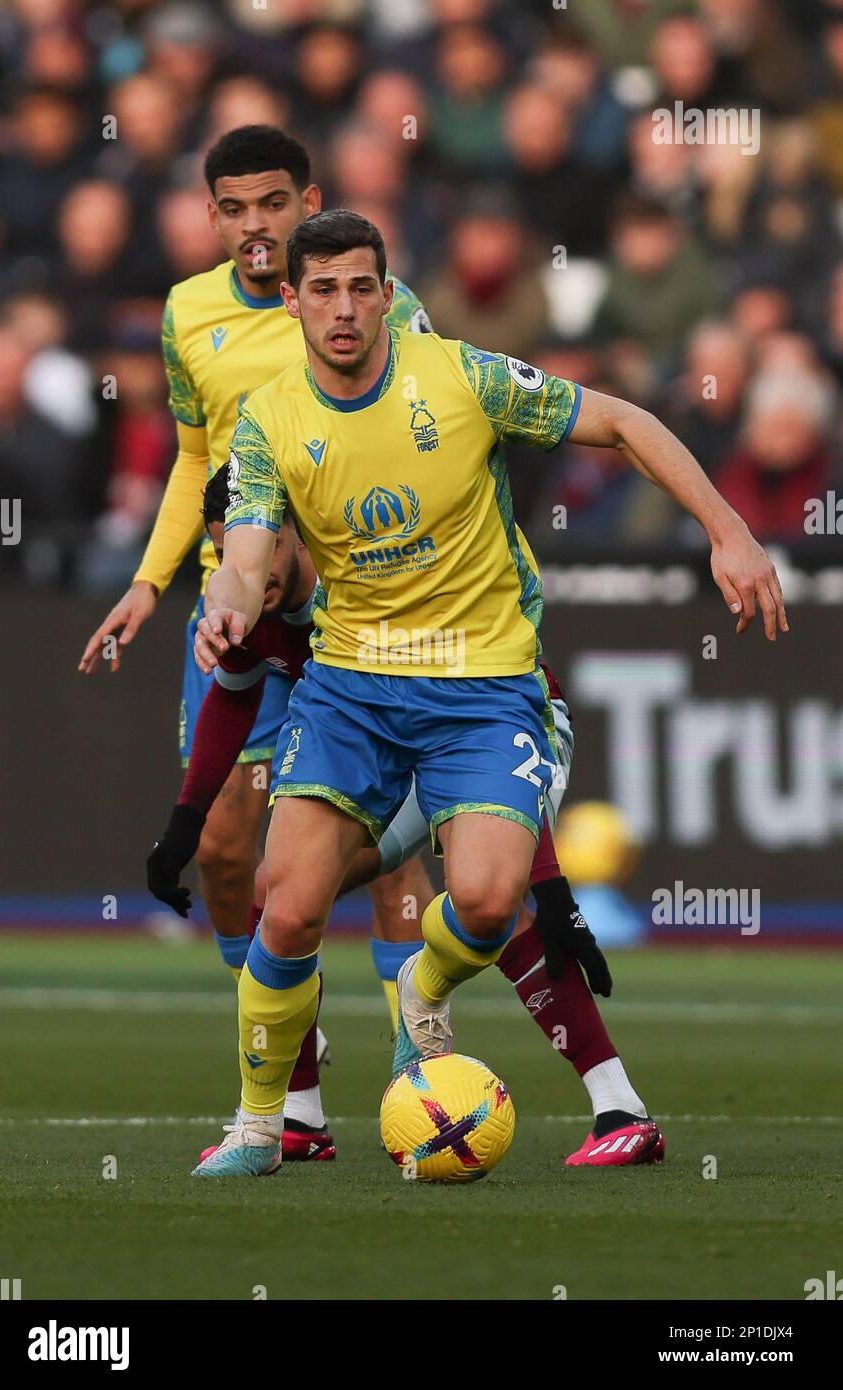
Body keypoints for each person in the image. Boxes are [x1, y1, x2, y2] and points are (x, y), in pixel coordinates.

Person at [192, 209, 787, 1177]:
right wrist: (224, 599)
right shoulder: (268, 418)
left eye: (360, 287)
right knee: (287, 906)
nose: (343, 308)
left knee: (483, 896)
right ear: (292, 301)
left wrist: (727, 531)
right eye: (323, 289)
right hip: (350, 693)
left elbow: (624, 421)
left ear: (387, 294)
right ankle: (265, 1123)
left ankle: (423, 990)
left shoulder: (461, 376)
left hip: (482, 685)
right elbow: (249, 545)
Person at [78, 126, 435, 1159]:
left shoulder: (373, 300)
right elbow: (195, 462)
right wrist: (151, 582)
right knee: (230, 851)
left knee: (376, 852)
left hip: (358, 610)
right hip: (235, 609)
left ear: (308, 200)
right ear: (209, 216)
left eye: (272, 204)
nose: (252, 227)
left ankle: (424, 1070)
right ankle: (301, 1096)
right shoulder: (189, 314)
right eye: (231, 209)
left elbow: (434, 431)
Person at [150, 464, 666, 1168]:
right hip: (395, 751)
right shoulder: (247, 597)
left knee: (493, 898)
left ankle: (619, 1108)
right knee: (281, 894)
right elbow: (235, 692)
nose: (248, 571)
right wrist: (185, 822)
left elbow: (484, 718)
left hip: (498, 721)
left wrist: (547, 880)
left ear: (303, 531)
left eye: (262, 548)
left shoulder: (371, 581)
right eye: (225, 552)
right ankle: (296, 1119)